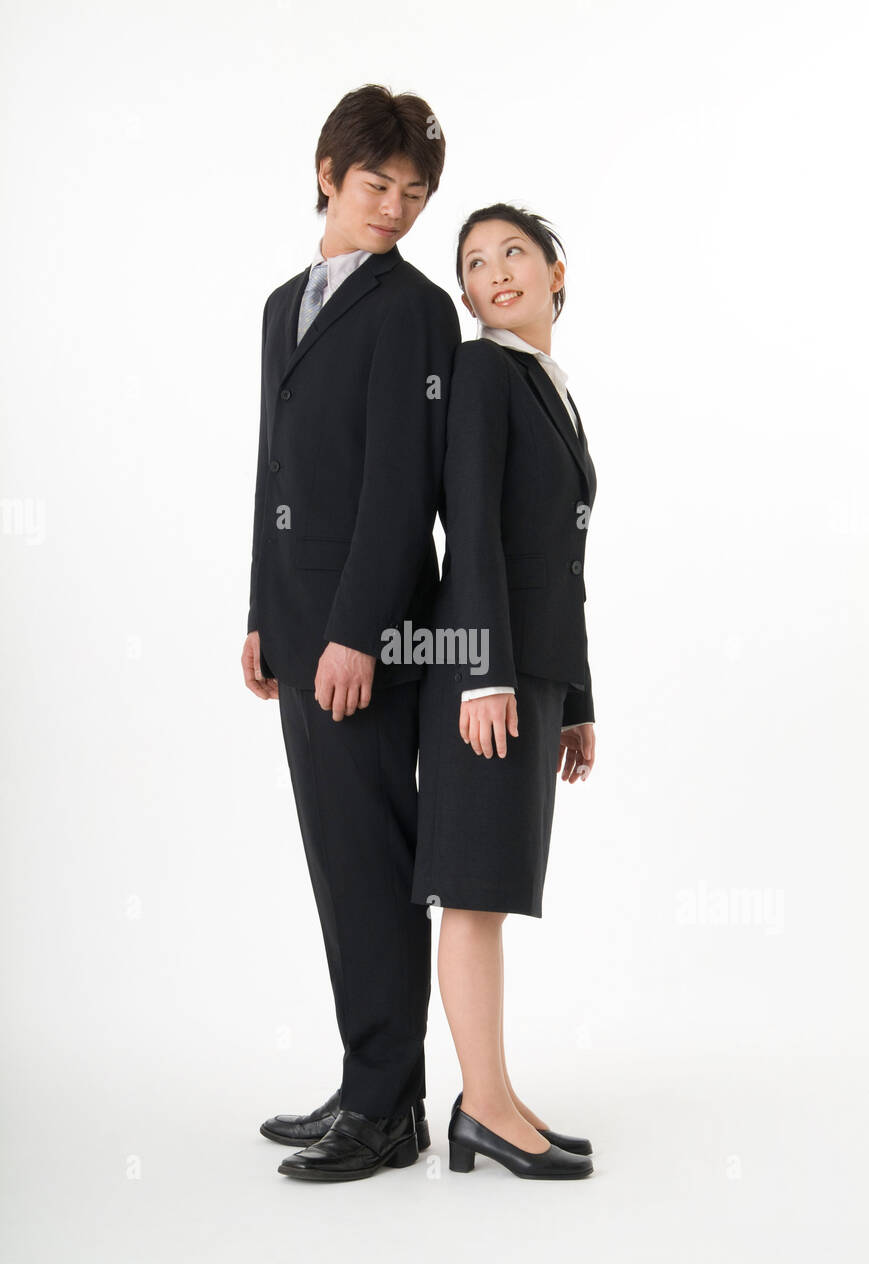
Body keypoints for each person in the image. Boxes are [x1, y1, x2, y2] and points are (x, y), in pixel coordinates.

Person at [242, 85, 461, 1182]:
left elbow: (399, 488)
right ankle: (374, 1086)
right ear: (329, 171)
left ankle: (383, 1106)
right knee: (339, 862)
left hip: (364, 639)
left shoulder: (415, 309)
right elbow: (272, 469)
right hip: (296, 627)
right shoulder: (284, 303)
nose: (395, 208)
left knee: (372, 861)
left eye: (415, 194)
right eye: (378, 184)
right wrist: (257, 612)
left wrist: (358, 632)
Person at [410, 205, 598, 1179]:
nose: (494, 272)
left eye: (512, 252)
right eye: (474, 262)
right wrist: (481, 670)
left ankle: (494, 1094)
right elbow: (467, 527)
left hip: (532, 674)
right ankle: (480, 1105)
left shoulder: (544, 385)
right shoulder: (482, 371)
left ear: (554, 271)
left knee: (491, 887)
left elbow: (556, 562)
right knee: (471, 892)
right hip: (482, 677)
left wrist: (575, 697)